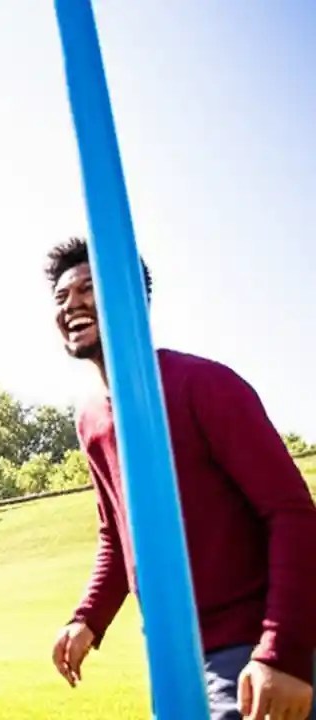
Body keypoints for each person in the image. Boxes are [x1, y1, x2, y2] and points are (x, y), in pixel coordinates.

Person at [43, 237, 316, 720]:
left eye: (88, 288)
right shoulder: (91, 421)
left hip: (250, 651)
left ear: (132, 295)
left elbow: (292, 515)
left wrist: (282, 651)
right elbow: (117, 533)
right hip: (175, 661)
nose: (72, 305)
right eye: (61, 297)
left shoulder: (203, 385)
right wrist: (88, 618)